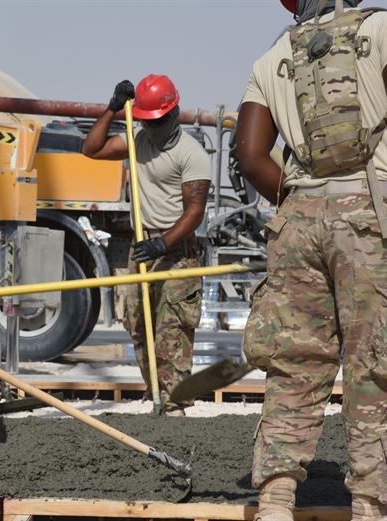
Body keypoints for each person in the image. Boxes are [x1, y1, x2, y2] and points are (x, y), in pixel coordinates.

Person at [236, 0, 386, 519]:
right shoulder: (381, 28)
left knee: (294, 363)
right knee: (375, 366)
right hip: (370, 218)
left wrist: (304, 203)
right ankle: (371, 503)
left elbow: (250, 155)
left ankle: (276, 497)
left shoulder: (274, 56)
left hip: (297, 219)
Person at [82, 74, 211, 416]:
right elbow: (91, 148)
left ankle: (175, 404)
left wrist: (163, 243)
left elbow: (195, 211)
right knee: (138, 325)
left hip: (177, 250)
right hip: (142, 245)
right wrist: (111, 109)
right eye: (145, 122)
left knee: (173, 330)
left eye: (155, 122)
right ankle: (155, 395)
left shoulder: (191, 154)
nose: (150, 128)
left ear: (173, 114)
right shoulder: (138, 140)